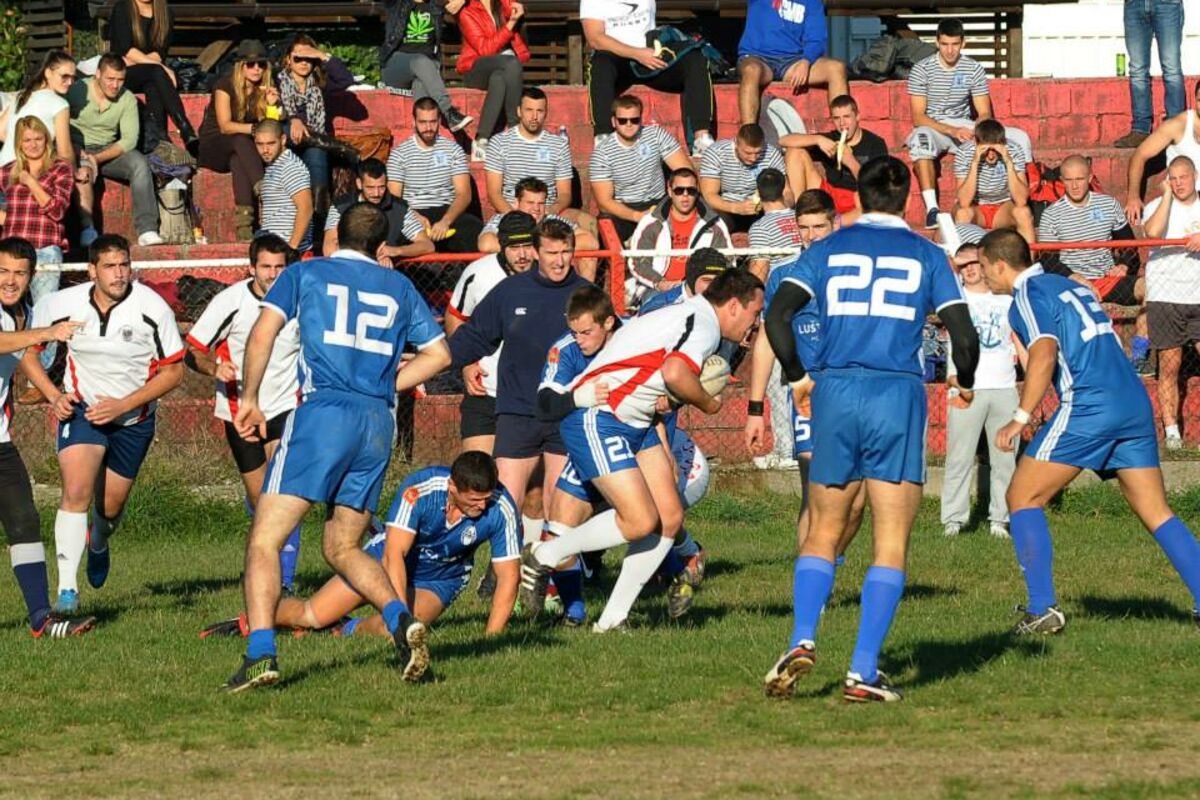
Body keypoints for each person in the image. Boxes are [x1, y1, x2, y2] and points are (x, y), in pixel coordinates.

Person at [761, 156, 980, 702]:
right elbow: (962, 333)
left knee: (823, 529)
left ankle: (803, 636)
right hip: (894, 394)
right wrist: (966, 378)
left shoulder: (827, 249)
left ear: (856, 197)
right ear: (907, 198)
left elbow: (777, 315)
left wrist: (797, 375)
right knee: (890, 539)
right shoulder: (928, 254)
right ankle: (862, 669)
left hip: (835, 391)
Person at [221, 202, 452, 692]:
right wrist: (389, 387)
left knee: (265, 538)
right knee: (341, 545)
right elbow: (440, 355)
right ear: (382, 247)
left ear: (333, 238)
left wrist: (250, 398)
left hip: (323, 414)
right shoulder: (400, 286)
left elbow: (264, 331)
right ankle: (398, 617)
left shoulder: (309, 273)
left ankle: (262, 653)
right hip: (376, 423)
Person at [979, 228, 1200, 636]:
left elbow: (1044, 352)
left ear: (999, 265)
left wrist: (1021, 415)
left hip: (1091, 403)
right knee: (1156, 511)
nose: (982, 275)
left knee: (1021, 496)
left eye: (982, 266)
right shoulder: (1067, 285)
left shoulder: (1026, 296)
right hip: (1132, 400)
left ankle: (1042, 608)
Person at [519, 269, 765, 631]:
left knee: (668, 519)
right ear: (732, 306)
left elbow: (656, 370)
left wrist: (665, 395)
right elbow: (675, 372)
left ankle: (613, 618)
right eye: (754, 312)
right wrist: (710, 404)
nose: (755, 321)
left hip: (637, 421)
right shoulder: (704, 325)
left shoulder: (687, 313)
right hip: (600, 417)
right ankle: (543, 555)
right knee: (640, 521)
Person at [19, 234, 185, 615]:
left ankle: (99, 540)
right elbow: (30, 353)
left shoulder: (152, 308)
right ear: (91, 270)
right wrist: (54, 395)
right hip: (82, 410)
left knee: (110, 507)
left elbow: (173, 371)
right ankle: (67, 592)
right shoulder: (60, 304)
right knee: (76, 490)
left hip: (133, 418)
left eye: (124, 265)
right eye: (109, 266)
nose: (119, 274)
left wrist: (124, 405)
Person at [201, 452, 521, 639]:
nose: (482, 506)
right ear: (453, 487)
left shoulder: (500, 507)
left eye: (486, 499)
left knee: (396, 629)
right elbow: (395, 553)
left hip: (439, 579)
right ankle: (249, 622)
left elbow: (508, 579)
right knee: (311, 615)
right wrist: (398, 611)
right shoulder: (421, 490)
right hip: (386, 560)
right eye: (474, 500)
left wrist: (490, 640)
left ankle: (346, 630)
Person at [446, 218, 591, 519]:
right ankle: (503, 565)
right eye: (552, 253)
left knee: (557, 505)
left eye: (566, 252)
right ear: (538, 252)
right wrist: (430, 361)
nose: (560, 261)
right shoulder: (509, 291)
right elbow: (470, 339)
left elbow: (612, 349)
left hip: (565, 412)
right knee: (506, 504)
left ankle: (553, 564)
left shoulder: (587, 295)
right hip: (516, 411)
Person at [185, 235, 305, 593]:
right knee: (260, 500)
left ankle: (283, 580)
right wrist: (214, 368)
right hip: (239, 412)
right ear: (252, 268)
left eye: (279, 267)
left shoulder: (301, 298)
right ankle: (262, 561)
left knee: (284, 494)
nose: (272, 274)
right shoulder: (231, 301)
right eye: (265, 267)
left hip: (287, 406)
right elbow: (193, 350)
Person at [0, 236, 95, 638]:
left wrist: (55, 396)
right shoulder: (24, 321)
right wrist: (50, 331)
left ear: (32, 276)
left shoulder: (22, 312)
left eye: (20, 273)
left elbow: (23, 356)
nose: (10, 280)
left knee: (24, 520)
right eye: (3, 271)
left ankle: (42, 618)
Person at [905, 18, 1031, 229]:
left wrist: (977, 130)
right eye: (945, 44)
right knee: (921, 139)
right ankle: (932, 209)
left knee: (1019, 136)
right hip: (935, 125)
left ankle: (1029, 191)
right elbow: (918, 116)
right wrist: (952, 130)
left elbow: (984, 112)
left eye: (955, 44)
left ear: (963, 43)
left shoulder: (973, 68)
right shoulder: (921, 69)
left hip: (965, 123)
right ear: (937, 42)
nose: (950, 50)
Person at [746, 189, 833, 472]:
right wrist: (755, 408)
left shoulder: (852, 270)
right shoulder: (783, 274)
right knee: (811, 481)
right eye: (804, 228)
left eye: (819, 226)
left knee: (853, 491)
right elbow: (767, 340)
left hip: (849, 386)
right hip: (805, 389)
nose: (811, 235)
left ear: (836, 223)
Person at [940, 242, 1022, 539]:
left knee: (1004, 459)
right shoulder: (953, 299)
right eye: (963, 266)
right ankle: (953, 519)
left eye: (975, 262)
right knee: (959, 457)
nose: (971, 269)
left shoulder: (1006, 299)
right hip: (964, 388)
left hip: (1003, 386)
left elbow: (1018, 342)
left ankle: (1000, 518)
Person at [1037, 155, 1149, 372]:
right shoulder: (1051, 214)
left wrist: (1124, 265)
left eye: (1080, 178)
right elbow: (1048, 260)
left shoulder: (1108, 204)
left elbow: (1128, 243)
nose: (1075, 185)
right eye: (1069, 180)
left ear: (1089, 177)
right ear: (1061, 180)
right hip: (1072, 283)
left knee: (1151, 287)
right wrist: (1074, 277)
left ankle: (1139, 355)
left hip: (1107, 278)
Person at [446, 212, 538, 454]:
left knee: (531, 490)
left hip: (532, 396)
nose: (522, 255)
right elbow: (456, 316)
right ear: (501, 245)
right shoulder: (478, 273)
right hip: (484, 391)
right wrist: (466, 364)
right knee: (478, 474)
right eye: (514, 247)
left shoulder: (550, 275)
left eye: (528, 246)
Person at [580, 0, 715, 154]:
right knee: (599, 64)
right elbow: (595, 38)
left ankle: (701, 139)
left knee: (695, 58)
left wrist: (646, 54)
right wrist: (637, 54)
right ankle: (603, 139)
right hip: (616, 57)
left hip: (651, 55)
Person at [68, 53, 162, 247]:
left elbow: (129, 140)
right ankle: (88, 228)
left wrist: (97, 158)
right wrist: (78, 152)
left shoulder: (127, 99)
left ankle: (147, 229)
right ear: (97, 74)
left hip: (108, 150)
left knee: (139, 163)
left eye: (120, 80)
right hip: (77, 147)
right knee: (83, 171)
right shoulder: (77, 90)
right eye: (110, 79)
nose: (115, 85)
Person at [1140, 156, 1200, 451]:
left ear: (1195, 176)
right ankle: (1172, 432)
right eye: (1173, 178)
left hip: (1198, 295)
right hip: (1166, 296)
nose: (1178, 183)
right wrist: (1164, 196)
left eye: (1183, 177)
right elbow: (1151, 232)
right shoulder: (1157, 205)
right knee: (1170, 364)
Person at [197, 40, 278, 242]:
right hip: (213, 145)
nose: (257, 69)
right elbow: (225, 126)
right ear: (241, 66)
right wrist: (254, 129)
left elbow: (269, 128)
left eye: (261, 64)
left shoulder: (264, 90)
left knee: (238, 161)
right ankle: (265, 189)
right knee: (240, 140)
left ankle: (244, 226)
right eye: (251, 64)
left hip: (239, 151)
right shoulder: (224, 86)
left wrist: (271, 106)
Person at [588, 94, 692, 244]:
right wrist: (638, 216)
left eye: (634, 120)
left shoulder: (656, 135)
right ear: (613, 122)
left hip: (659, 202)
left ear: (641, 119)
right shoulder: (602, 152)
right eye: (623, 121)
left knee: (690, 198)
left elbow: (685, 171)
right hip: (624, 208)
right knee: (607, 223)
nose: (629, 124)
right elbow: (604, 202)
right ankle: (617, 266)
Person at [386, 98, 484, 254]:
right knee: (392, 233)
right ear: (414, 121)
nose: (428, 128)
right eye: (423, 122)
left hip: (446, 210)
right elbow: (394, 197)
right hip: (413, 211)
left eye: (432, 122)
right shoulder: (400, 154)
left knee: (477, 233)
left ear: (439, 120)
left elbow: (464, 194)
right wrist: (414, 216)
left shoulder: (453, 150)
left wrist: (445, 221)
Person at [628, 167, 732, 309]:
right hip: (658, 288)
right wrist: (660, 283)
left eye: (691, 191)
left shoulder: (714, 224)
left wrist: (702, 286)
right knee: (653, 304)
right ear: (670, 191)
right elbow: (638, 261)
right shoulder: (651, 222)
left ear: (697, 192)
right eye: (679, 190)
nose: (685, 195)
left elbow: (727, 261)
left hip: (700, 289)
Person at [277, 35, 355, 218]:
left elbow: (346, 80)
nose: (303, 63)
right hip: (286, 140)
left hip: (313, 143)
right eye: (298, 58)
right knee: (301, 137)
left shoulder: (320, 85)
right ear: (288, 59)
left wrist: (321, 54)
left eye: (309, 58)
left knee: (317, 154)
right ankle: (333, 146)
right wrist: (294, 119)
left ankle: (318, 221)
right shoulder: (276, 80)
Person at [107, 0, 199, 157]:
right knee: (156, 73)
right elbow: (125, 50)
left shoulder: (165, 13)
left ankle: (161, 140)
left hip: (149, 73)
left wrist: (153, 65)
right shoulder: (123, 8)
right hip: (122, 73)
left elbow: (160, 52)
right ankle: (185, 128)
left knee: (153, 84)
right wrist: (161, 67)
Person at [736, 0, 848, 125]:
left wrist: (806, 60)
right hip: (758, 57)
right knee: (751, 70)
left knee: (836, 68)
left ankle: (843, 133)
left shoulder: (813, 3)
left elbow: (817, 39)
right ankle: (748, 136)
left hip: (792, 61)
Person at [0, 116, 73, 305]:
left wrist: (31, 182)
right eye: (27, 140)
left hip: (45, 248)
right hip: (11, 253)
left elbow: (57, 211)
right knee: (9, 310)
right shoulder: (6, 172)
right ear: (19, 143)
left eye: (38, 139)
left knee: (44, 308)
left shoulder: (60, 168)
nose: (33, 145)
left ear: (46, 140)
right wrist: (5, 219)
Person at [780, 94, 886, 221]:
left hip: (858, 198)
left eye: (847, 117)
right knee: (794, 152)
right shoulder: (830, 139)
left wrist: (851, 162)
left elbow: (877, 187)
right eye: (837, 118)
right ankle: (797, 216)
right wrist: (818, 139)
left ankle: (835, 224)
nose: (842, 124)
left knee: (874, 208)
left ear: (857, 116)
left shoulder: (875, 143)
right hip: (829, 196)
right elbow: (783, 141)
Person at [380, 0, 473, 132]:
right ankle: (449, 111)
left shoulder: (435, 5)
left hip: (424, 71)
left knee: (421, 83)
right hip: (396, 67)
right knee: (421, 61)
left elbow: (454, 7)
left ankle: (422, 133)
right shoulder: (396, 3)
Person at [455, 0, 529, 161]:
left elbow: (515, 10)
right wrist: (511, 24)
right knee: (511, 62)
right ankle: (516, 129)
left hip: (502, 69)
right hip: (475, 68)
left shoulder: (502, 4)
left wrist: (517, 11)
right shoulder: (467, 11)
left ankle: (481, 139)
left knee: (499, 79)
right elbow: (485, 49)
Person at [324, 157, 433, 260]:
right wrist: (368, 259)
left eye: (381, 187)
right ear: (359, 183)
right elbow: (329, 248)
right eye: (370, 187)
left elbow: (427, 245)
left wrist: (395, 251)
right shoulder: (340, 206)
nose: (376, 193)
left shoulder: (400, 209)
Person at [1123, 82, 1200, 226]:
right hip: (1180, 199)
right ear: (1194, 100)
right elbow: (1139, 155)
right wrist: (1133, 196)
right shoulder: (1178, 125)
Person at [1114, 0, 1185, 149]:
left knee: (1171, 68)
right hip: (1134, 4)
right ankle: (1140, 129)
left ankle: (1176, 128)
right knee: (1137, 69)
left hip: (1167, 4)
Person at [953, 119, 1034, 242]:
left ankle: (1030, 260)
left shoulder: (1013, 149)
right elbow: (964, 201)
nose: (991, 155)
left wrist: (1008, 162)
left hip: (1004, 207)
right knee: (963, 214)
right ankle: (965, 259)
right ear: (976, 143)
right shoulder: (964, 152)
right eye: (986, 150)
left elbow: (1021, 200)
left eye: (994, 150)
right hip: (977, 207)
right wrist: (975, 162)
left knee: (1023, 213)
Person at [699, 124, 788, 233]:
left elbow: (786, 192)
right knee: (715, 226)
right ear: (736, 143)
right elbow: (709, 194)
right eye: (748, 153)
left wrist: (775, 208)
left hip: (762, 208)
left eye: (758, 153)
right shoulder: (716, 153)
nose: (753, 158)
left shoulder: (771, 154)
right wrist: (735, 208)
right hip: (725, 207)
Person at [476, 176, 595, 256]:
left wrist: (544, 249)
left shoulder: (550, 219)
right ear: (517, 203)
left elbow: (589, 241)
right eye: (530, 203)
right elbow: (486, 244)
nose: (536, 209)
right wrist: (531, 249)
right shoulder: (502, 219)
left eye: (541, 203)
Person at [0, 50, 76, 169]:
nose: (70, 82)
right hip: (28, 171)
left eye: (73, 77)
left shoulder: (21, 95)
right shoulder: (60, 104)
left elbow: (1, 132)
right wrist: (75, 173)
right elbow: (65, 152)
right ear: (48, 73)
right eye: (65, 76)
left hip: (3, 167)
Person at [253, 119, 313, 254]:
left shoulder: (290, 166)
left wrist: (291, 249)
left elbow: (306, 208)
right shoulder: (274, 166)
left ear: (283, 140)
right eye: (260, 144)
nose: (265, 150)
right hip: (273, 247)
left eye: (271, 143)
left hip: (287, 250)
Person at [746, 168, 801, 280]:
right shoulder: (801, 218)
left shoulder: (760, 228)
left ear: (757, 191)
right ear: (784, 188)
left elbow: (759, 274)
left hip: (781, 288)